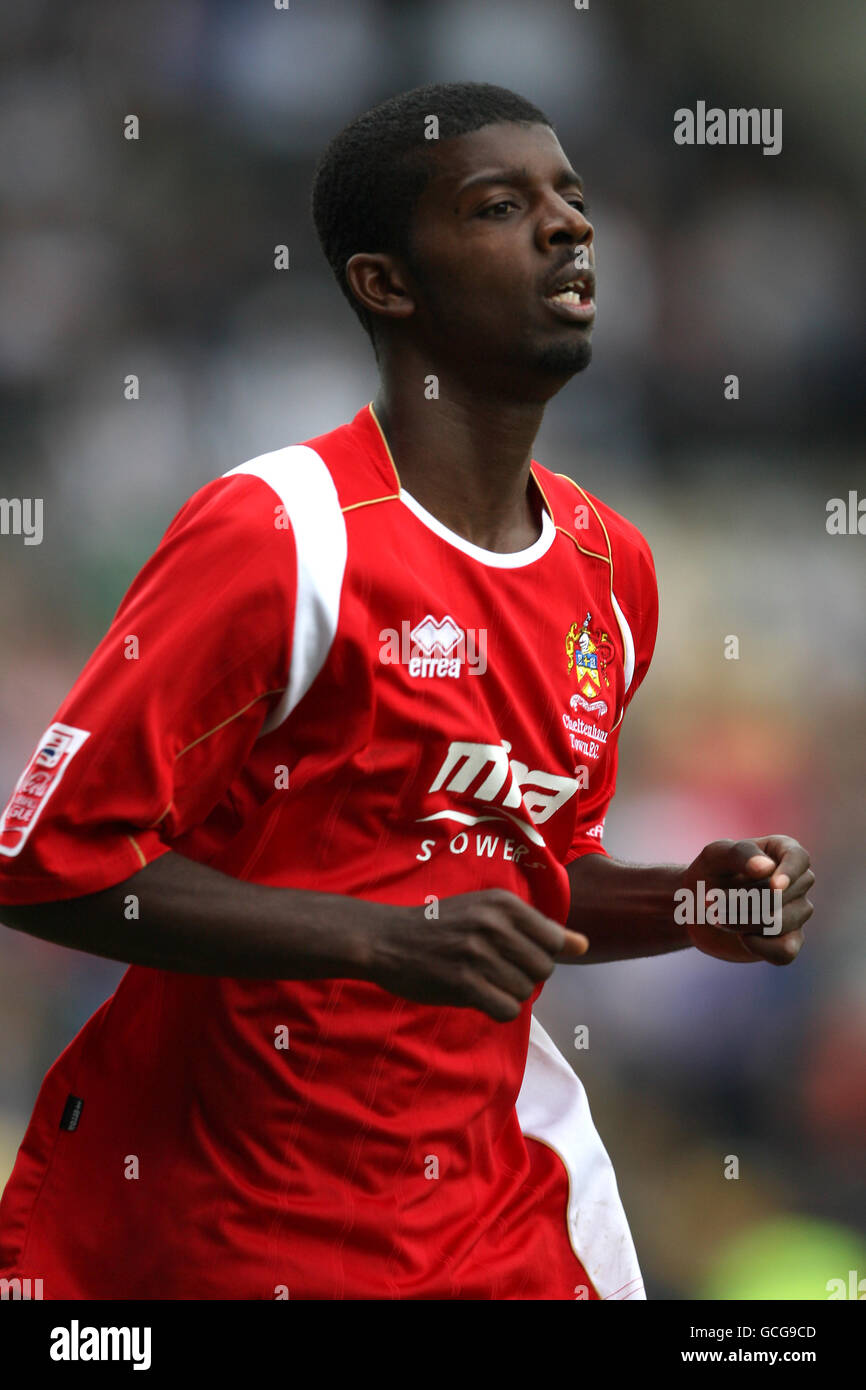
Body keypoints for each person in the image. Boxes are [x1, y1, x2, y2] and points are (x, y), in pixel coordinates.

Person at [0, 82, 813, 1301]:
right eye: (500, 206)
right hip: (229, 1216)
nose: (567, 229)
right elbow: (47, 862)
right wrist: (376, 942)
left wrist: (681, 902)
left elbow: (516, 876)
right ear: (387, 283)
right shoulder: (281, 534)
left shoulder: (610, 569)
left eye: (572, 201)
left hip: (501, 1217)